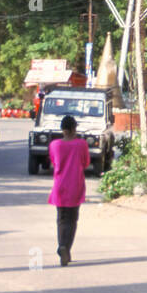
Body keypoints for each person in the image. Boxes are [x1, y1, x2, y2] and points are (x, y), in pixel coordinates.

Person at [48, 114, 90, 266]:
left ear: (62, 129)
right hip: (75, 185)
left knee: (61, 219)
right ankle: (66, 247)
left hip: (59, 186)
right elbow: (85, 163)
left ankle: (62, 246)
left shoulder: (54, 145)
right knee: (72, 220)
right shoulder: (81, 144)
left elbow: (53, 162)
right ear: (74, 128)